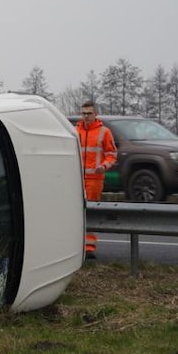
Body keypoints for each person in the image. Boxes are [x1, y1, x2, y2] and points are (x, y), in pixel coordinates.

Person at [76, 101, 117, 260]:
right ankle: (77, 247)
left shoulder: (104, 132)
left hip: (94, 179)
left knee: (90, 213)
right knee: (77, 213)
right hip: (77, 179)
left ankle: (89, 248)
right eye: (84, 113)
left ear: (95, 114)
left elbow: (112, 154)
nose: (86, 116)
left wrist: (104, 166)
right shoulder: (75, 131)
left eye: (89, 113)